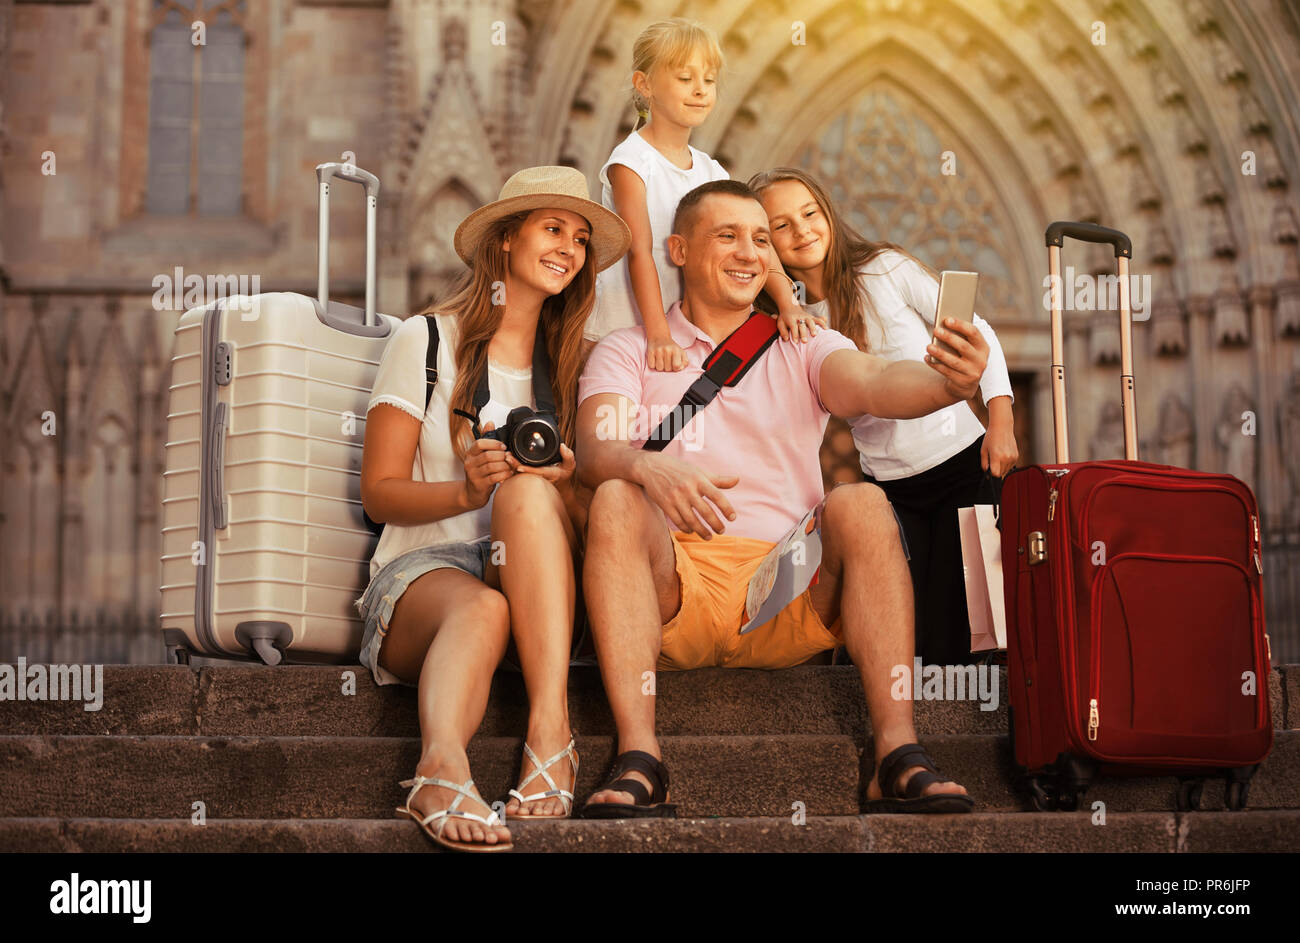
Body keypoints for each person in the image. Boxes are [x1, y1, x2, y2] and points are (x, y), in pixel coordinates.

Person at [574, 180, 987, 817]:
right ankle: (639, 756)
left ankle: (897, 755)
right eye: (728, 236)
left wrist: (944, 384)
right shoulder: (630, 348)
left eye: (761, 240)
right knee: (616, 499)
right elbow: (597, 448)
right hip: (672, 590)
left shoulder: (803, 343)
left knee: (860, 503)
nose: (750, 252)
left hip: (784, 590)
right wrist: (646, 469)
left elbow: (875, 382)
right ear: (679, 250)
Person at [355, 166, 631, 850]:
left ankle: (551, 731)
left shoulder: (577, 367)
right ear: (506, 240)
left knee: (531, 491)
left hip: (538, 584)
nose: (569, 246)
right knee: (484, 607)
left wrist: (564, 481)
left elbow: (597, 518)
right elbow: (378, 491)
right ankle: (440, 769)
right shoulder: (425, 340)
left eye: (579, 237)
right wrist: (465, 489)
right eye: (552, 228)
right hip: (427, 576)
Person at [750, 167, 1019, 667]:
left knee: (981, 633)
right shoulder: (793, 320)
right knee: (905, 640)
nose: (802, 230)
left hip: (966, 467)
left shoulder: (885, 268)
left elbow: (975, 329)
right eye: (780, 225)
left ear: (827, 213)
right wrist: (783, 297)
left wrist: (1000, 420)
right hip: (891, 490)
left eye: (809, 213)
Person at [583, 17, 820, 369]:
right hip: (627, 325)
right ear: (644, 84)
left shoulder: (711, 170)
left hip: (684, 332)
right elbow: (639, 252)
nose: (700, 90)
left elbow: (757, 243)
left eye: (709, 80)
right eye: (684, 78)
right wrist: (658, 334)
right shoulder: (631, 161)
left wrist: (789, 304)